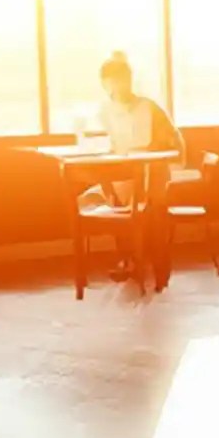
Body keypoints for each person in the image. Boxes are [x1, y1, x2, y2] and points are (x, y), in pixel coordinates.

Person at [78, 51, 185, 282]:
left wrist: (154, 152)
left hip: (151, 174)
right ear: (105, 84)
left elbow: (174, 142)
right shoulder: (103, 112)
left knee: (154, 216)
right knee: (112, 202)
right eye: (113, 80)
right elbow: (103, 143)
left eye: (123, 78)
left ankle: (159, 269)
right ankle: (127, 259)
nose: (120, 85)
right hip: (120, 175)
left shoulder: (149, 108)